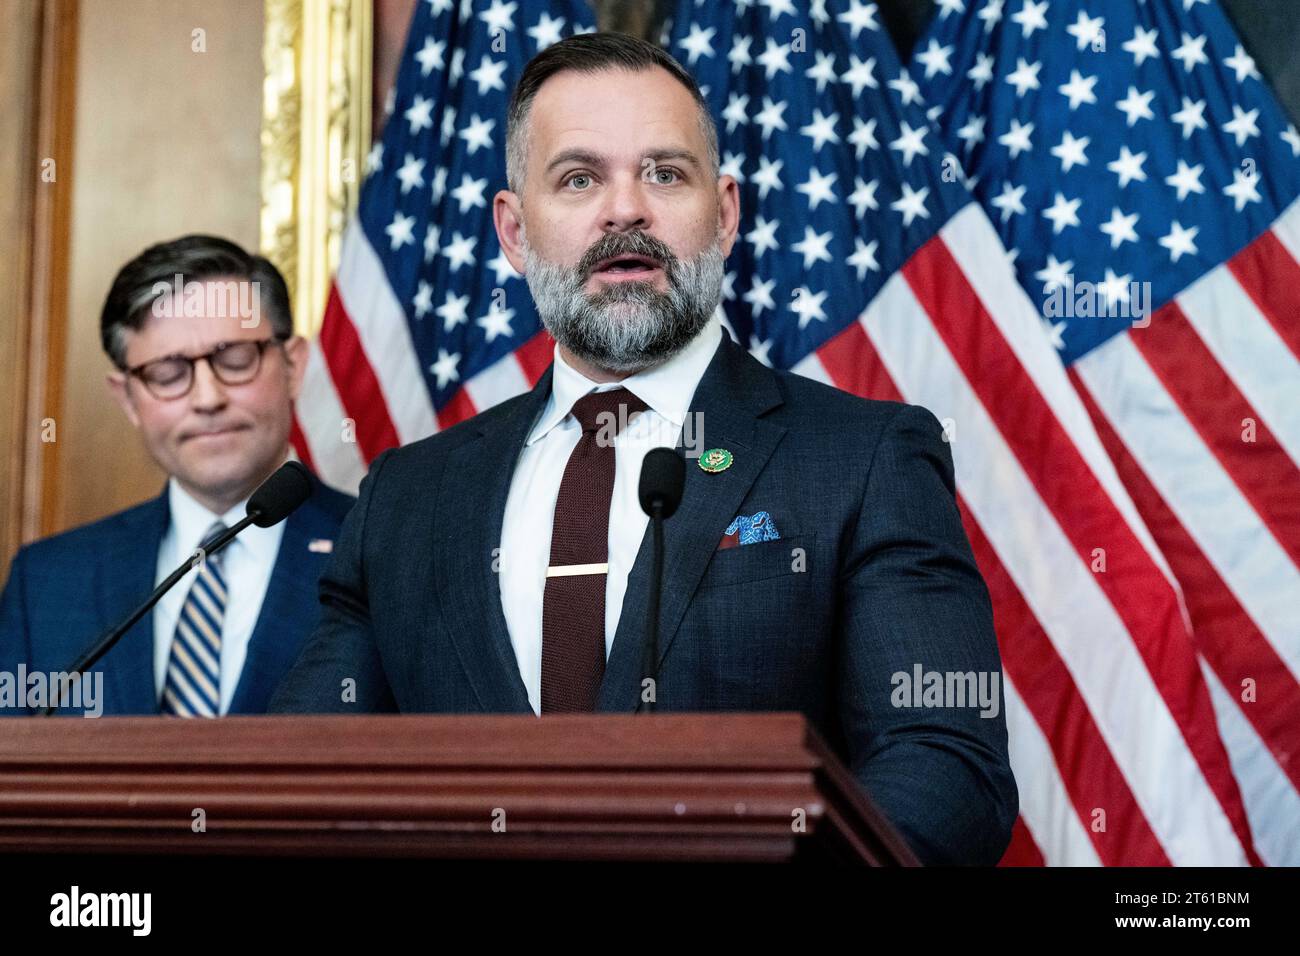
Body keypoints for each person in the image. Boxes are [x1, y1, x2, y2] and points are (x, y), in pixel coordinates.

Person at [271, 33, 1017, 865]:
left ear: (725, 213)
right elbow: (301, 779)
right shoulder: (406, 498)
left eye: (665, 173)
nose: (625, 209)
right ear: (514, 232)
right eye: (579, 178)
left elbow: (947, 773)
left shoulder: (865, 459)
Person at [0, 236, 354, 716]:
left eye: (234, 359)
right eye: (168, 373)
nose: (207, 398)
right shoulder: (47, 583)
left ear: (292, 365)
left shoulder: (382, 550)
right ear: (127, 398)